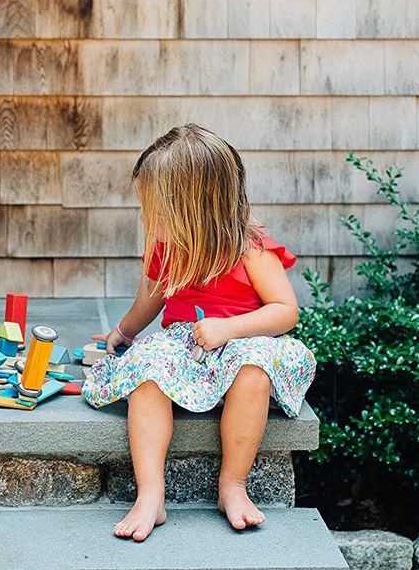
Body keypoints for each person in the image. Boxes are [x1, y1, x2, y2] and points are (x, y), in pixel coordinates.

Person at [82, 124, 316, 540]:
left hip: (243, 339)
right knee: (148, 374)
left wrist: (230, 328)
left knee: (254, 371)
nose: (146, 217)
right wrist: (124, 331)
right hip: (186, 345)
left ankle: (233, 485)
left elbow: (286, 312)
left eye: (155, 207)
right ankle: (151, 493)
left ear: (192, 207)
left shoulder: (251, 248)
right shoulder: (167, 249)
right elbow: (152, 299)